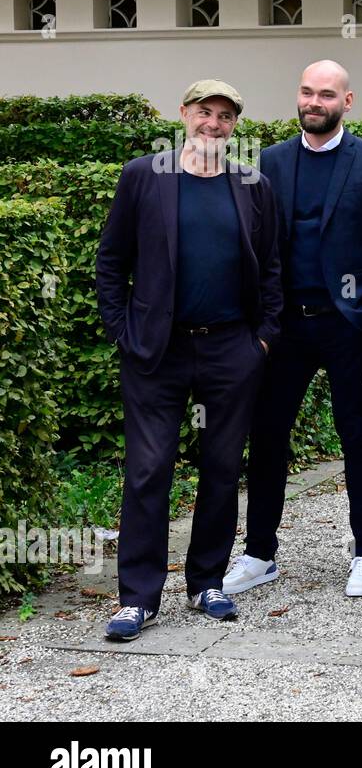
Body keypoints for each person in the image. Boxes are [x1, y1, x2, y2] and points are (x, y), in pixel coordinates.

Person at [97, 80, 281, 640]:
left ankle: (206, 582)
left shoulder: (252, 184)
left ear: (233, 126)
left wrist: (263, 341)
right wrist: (123, 333)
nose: (214, 124)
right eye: (205, 112)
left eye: (225, 116)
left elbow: (271, 266)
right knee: (149, 469)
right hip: (157, 349)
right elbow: (111, 262)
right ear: (184, 114)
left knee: (223, 470)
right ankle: (138, 598)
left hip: (231, 348)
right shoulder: (144, 176)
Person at [226, 60, 362, 599]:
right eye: (306, 92)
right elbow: (253, 246)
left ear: (347, 102)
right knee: (267, 438)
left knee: (357, 438)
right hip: (284, 328)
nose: (314, 102)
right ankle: (259, 552)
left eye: (326, 94)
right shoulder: (270, 163)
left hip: (349, 326)